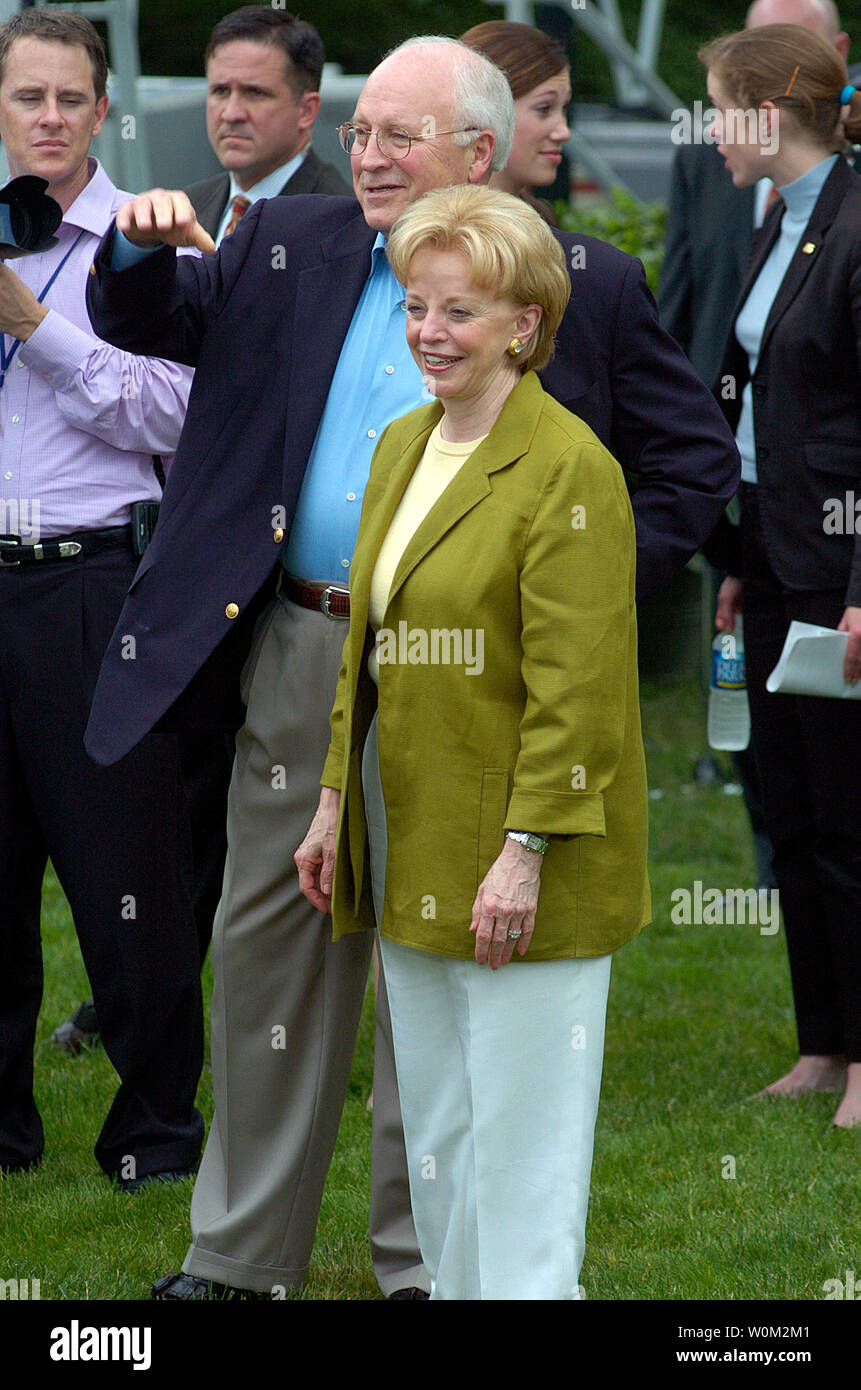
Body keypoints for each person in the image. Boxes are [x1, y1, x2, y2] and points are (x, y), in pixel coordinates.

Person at [83, 36, 739, 1297]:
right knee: (270, 944)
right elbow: (152, 318)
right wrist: (129, 246)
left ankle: (421, 1262)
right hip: (300, 643)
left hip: (479, 683)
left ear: (479, 156)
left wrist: (565, 589)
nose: (361, 154)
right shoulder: (291, 243)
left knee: (433, 955)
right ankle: (237, 1254)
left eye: (395, 134)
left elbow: (690, 463)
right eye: (358, 128)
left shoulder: (579, 282)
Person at [295, 182, 649, 1299]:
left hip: (523, 855)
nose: (428, 333)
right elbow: (368, 655)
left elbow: (580, 690)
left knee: (524, 1146)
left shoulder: (570, 466)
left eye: (458, 312)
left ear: (525, 325)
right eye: (415, 306)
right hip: (415, 834)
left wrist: (526, 850)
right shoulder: (404, 443)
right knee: (441, 1131)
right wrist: (329, 805)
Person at [0, 9, 203, 1187]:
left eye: (71, 99)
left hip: (92, 585)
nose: (50, 120)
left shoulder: (149, 238)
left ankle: (157, 1131)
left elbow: (179, 413)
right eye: (29, 98)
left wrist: (38, 332)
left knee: (124, 873)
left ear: (102, 106)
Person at [703, 22, 861, 1127]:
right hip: (770, 561)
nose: (708, 131)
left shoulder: (854, 222)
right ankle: (824, 1041)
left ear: (765, 115)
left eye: (717, 107)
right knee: (793, 810)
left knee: (853, 815)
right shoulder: (782, 222)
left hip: (839, 571)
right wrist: (737, 565)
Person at [185, 5, 351, 244]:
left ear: (306, 111)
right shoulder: (189, 207)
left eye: (255, 93)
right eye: (220, 91)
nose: (231, 114)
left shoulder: (342, 224)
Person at [460, 19, 570, 226]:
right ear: (487, 110)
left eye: (564, 107)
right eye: (544, 108)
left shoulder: (541, 219)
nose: (564, 132)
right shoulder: (431, 233)